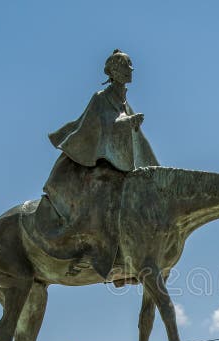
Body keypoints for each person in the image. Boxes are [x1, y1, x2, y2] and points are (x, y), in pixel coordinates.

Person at [44, 49, 159, 223]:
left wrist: (155, 171)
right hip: (98, 162)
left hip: (118, 164)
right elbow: (105, 124)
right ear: (113, 72)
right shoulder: (101, 98)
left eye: (130, 65)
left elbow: (140, 141)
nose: (130, 69)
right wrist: (127, 122)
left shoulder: (124, 103)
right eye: (124, 66)